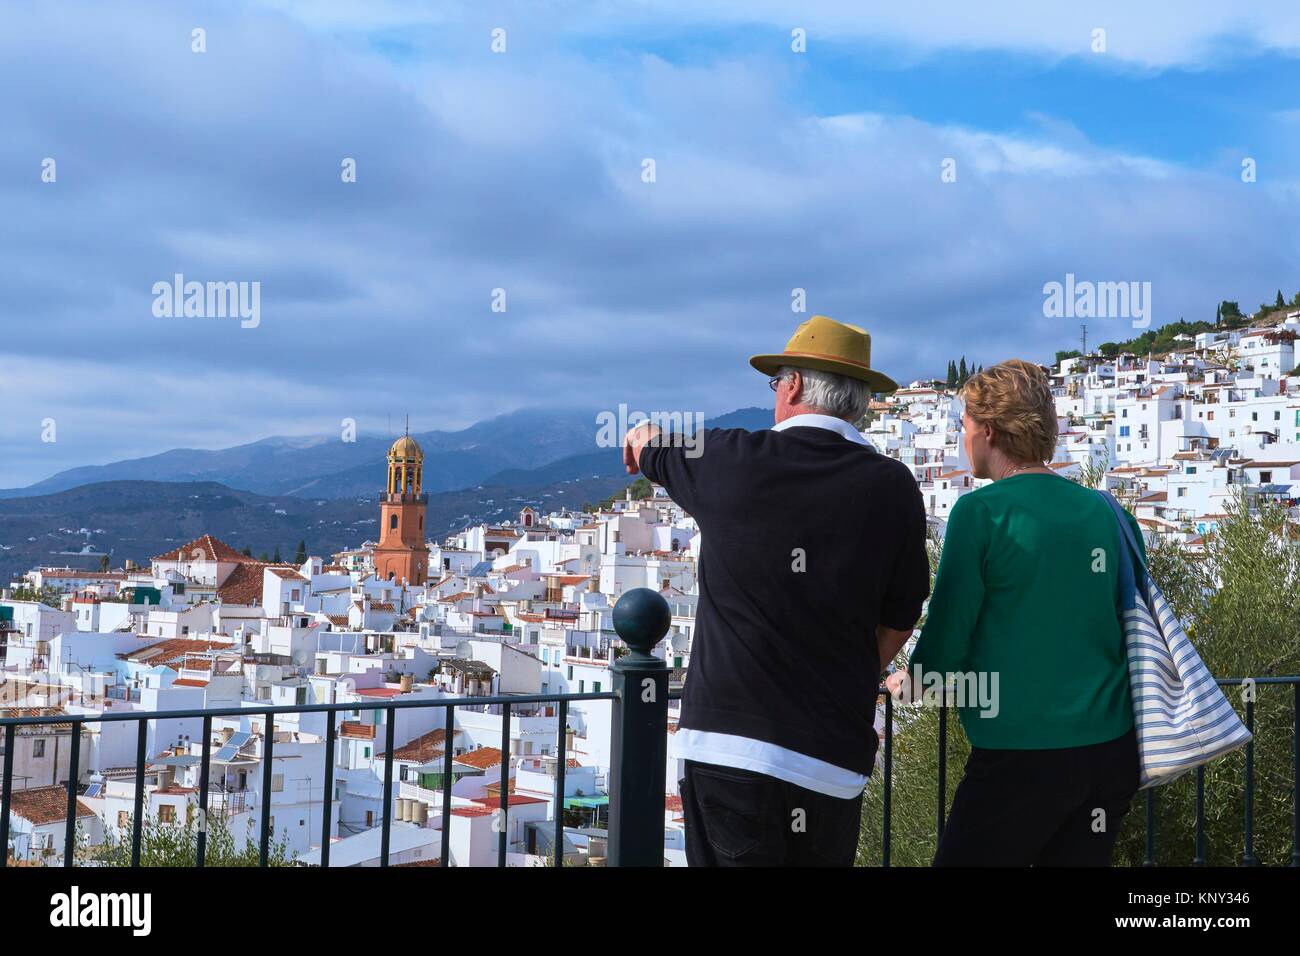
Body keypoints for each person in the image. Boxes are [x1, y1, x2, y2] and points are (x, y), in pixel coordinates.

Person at [623, 315, 930, 866]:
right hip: (831, 762)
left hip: (729, 751)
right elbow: (900, 617)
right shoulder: (894, 487)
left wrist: (639, 440)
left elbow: (651, 445)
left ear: (790, 387)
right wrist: (855, 674)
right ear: (858, 402)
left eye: (777, 384)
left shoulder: (728, 459)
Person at [900, 359, 1142, 866]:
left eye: (963, 427)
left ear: (986, 431)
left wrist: (914, 682)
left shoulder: (980, 513)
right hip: (1110, 751)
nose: (961, 439)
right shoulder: (1108, 513)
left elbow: (949, 631)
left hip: (1021, 754)